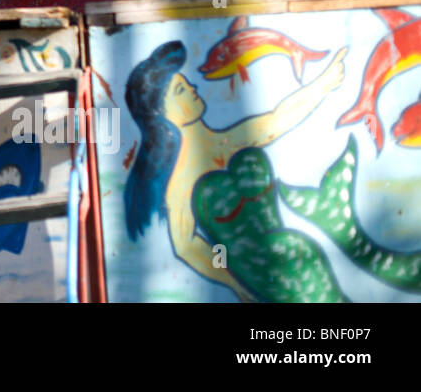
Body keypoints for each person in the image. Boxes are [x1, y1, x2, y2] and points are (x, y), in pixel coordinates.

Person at [124, 39, 346, 301]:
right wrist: (233, 279)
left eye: (187, 84)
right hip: (266, 281)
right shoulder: (184, 177)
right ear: (163, 113)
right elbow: (186, 246)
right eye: (181, 91)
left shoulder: (228, 141)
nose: (194, 88)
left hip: (301, 260)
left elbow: (276, 120)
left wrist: (323, 84)